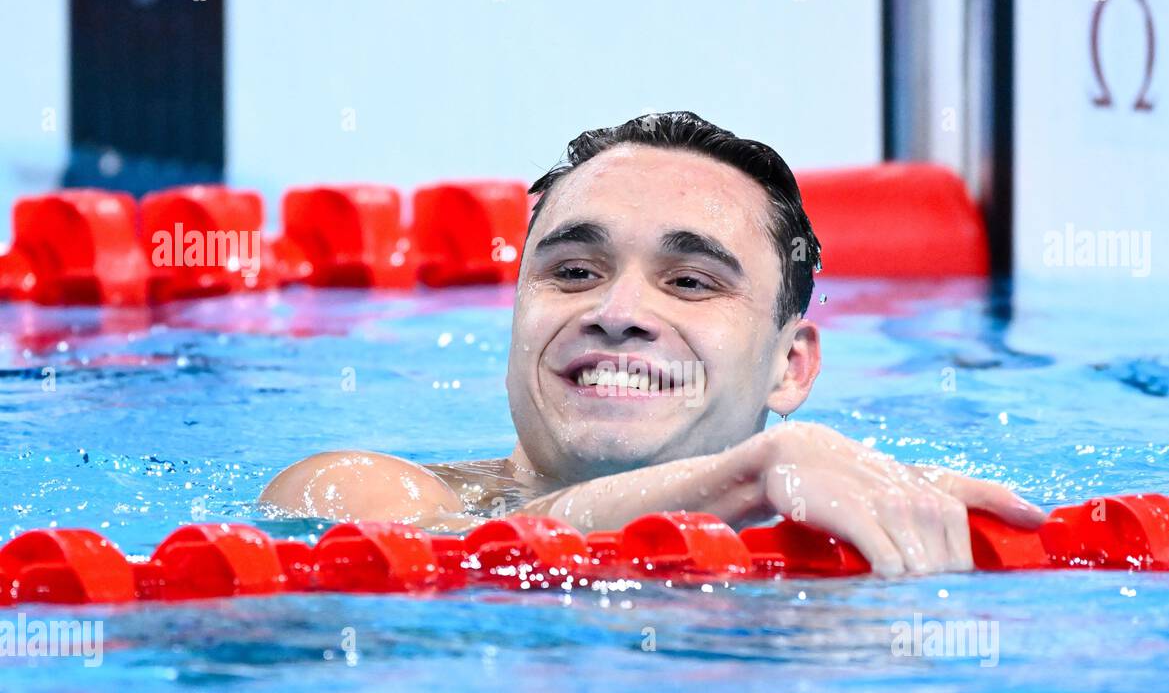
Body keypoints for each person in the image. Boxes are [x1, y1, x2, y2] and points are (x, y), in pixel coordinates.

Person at [259, 112, 1044, 576]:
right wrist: (753, 471)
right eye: (573, 270)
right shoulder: (352, 493)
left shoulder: (863, 528)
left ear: (790, 365)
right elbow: (453, 558)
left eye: (691, 282)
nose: (617, 309)